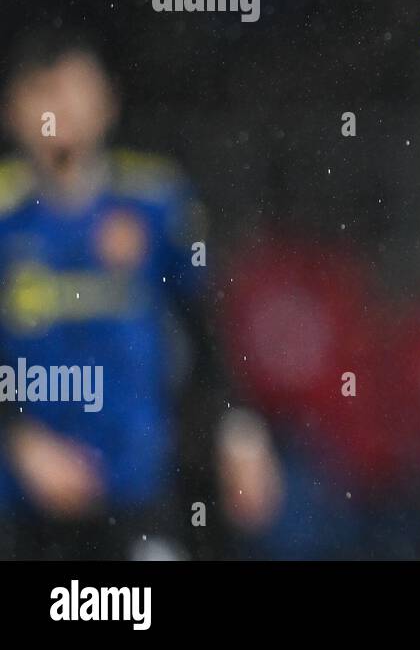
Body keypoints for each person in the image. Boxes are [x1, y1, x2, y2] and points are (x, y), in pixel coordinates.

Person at [0, 31, 282, 559]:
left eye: (73, 89)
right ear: (13, 110)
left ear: (106, 101)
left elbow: (205, 332)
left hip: (139, 491)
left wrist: (239, 430)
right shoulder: (5, 214)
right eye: (41, 91)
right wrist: (20, 441)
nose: (58, 108)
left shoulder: (155, 203)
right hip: (20, 506)